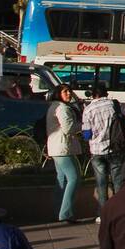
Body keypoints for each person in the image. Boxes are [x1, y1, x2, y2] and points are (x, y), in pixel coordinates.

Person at [82, 82, 125, 216]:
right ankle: (120, 211)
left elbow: (87, 134)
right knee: (117, 181)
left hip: (97, 151)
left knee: (101, 184)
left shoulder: (88, 109)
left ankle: (103, 213)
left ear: (93, 94)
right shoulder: (114, 105)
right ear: (106, 93)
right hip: (115, 148)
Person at [46, 84, 84, 223]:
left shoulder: (55, 106)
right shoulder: (62, 108)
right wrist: (84, 125)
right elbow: (68, 128)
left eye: (70, 91)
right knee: (74, 178)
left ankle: (58, 211)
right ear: (58, 94)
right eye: (65, 91)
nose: (69, 94)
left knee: (62, 179)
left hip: (57, 148)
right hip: (63, 148)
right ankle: (66, 214)